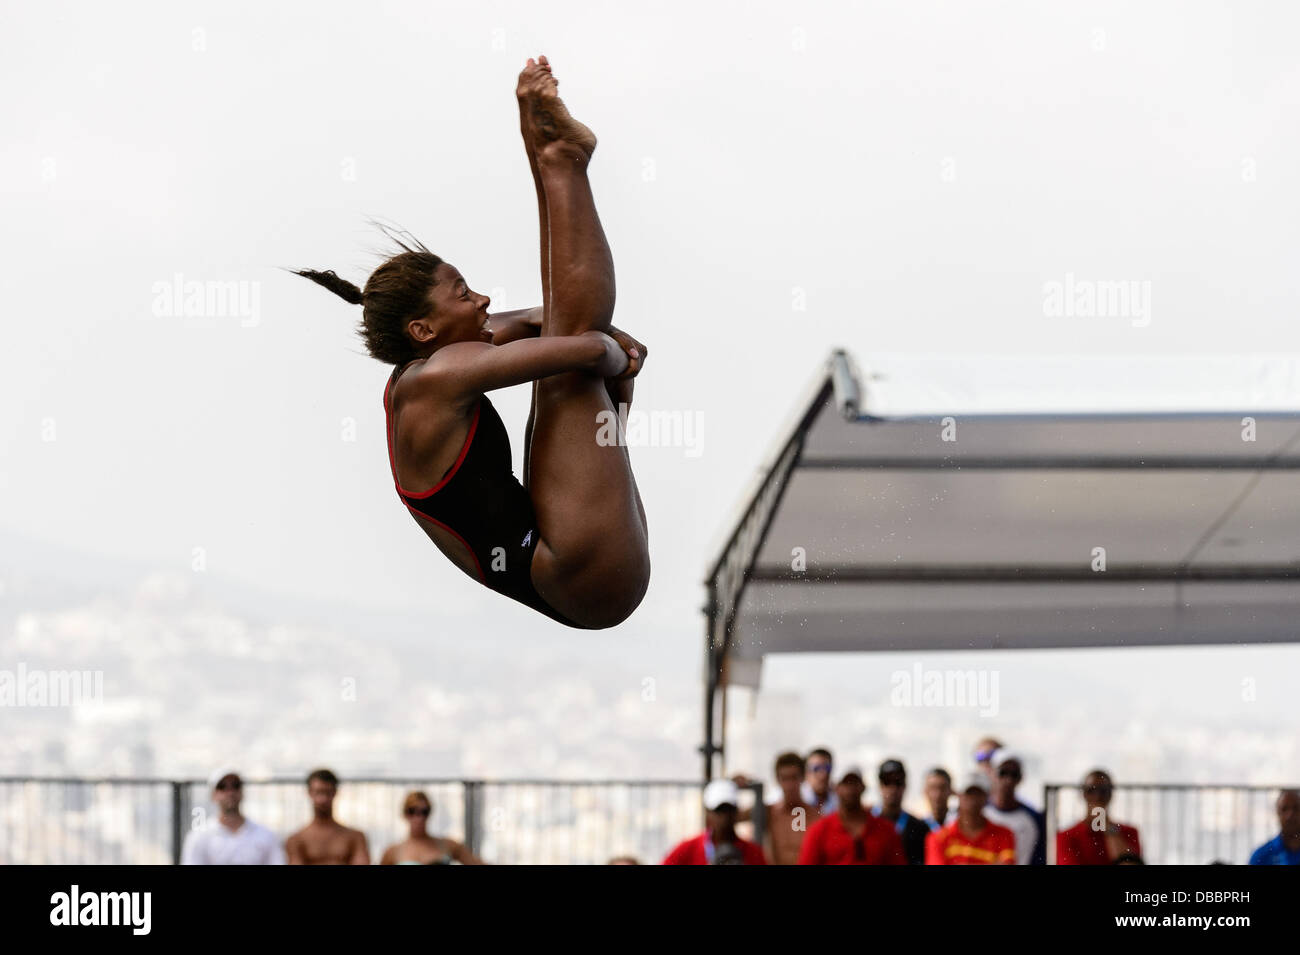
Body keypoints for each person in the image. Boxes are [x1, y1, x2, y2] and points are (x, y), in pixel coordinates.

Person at [295, 55, 650, 630]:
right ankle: (558, 160)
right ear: (423, 330)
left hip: (579, 571)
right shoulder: (440, 376)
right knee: (567, 370)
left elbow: (545, 321)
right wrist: (613, 354)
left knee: (563, 345)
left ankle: (550, 157)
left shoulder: (424, 375)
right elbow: (584, 348)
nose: (483, 300)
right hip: (581, 571)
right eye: (463, 293)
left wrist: (609, 357)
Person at [797, 768, 906, 865]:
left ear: (863, 787)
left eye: (854, 783)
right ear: (836, 788)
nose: (850, 789)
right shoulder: (819, 831)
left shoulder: (886, 830)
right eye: (846, 784)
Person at [181, 768, 284, 865]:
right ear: (213, 795)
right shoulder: (198, 837)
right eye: (222, 787)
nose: (230, 792)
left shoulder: (266, 836)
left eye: (235, 786)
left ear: (242, 792)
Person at [662, 780, 767, 864]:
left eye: (728, 809)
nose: (724, 816)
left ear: (736, 812)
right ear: (708, 813)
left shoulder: (753, 853)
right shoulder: (687, 850)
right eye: (719, 810)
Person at [925, 774, 1016, 865]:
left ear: (986, 797)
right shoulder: (938, 837)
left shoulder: (1004, 834)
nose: (973, 799)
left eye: (978, 794)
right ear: (958, 795)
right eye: (968, 793)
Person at [284, 769, 370, 865]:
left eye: (327, 792)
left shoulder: (355, 837)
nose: (323, 799)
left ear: (335, 792)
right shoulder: (297, 840)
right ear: (310, 793)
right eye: (318, 792)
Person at [1056, 770, 1142, 865]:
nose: (1097, 796)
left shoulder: (1129, 832)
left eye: (1103, 791)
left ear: (1111, 794)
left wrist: (1108, 827)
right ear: (1083, 794)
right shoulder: (1067, 836)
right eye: (1091, 790)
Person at [379, 791, 483, 865]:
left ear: (429, 813)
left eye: (424, 812)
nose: (418, 817)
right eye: (412, 811)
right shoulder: (393, 851)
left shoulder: (447, 845)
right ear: (405, 814)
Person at [981, 750, 1046, 865]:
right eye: (1003, 772)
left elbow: (1040, 857)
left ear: (1020, 778)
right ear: (992, 773)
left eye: (1014, 774)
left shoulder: (1035, 818)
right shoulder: (978, 812)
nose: (1008, 779)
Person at [873, 759, 932, 865]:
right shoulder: (867, 825)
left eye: (897, 782)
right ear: (880, 786)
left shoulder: (920, 828)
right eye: (887, 782)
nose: (892, 788)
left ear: (905, 785)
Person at [763, 751, 815, 865]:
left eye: (794, 778)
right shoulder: (768, 812)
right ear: (777, 780)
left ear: (802, 778)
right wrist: (736, 786)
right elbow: (730, 814)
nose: (790, 785)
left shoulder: (816, 817)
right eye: (785, 778)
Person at [1249, 789, 1300, 865]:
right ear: (1277, 813)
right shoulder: (1262, 856)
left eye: (1295, 808)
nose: (1290, 815)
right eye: (1284, 809)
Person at [801, 747, 839, 817]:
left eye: (827, 768)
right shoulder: (796, 798)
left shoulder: (839, 800)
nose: (823, 774)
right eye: (816, 768)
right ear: (806, 772)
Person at [923, 767, 954, 831]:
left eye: (942, 788)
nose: (938, 795)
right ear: (925, 791)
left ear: (951, 791)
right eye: (933, 788)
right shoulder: (920, 826)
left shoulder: (960, 824)